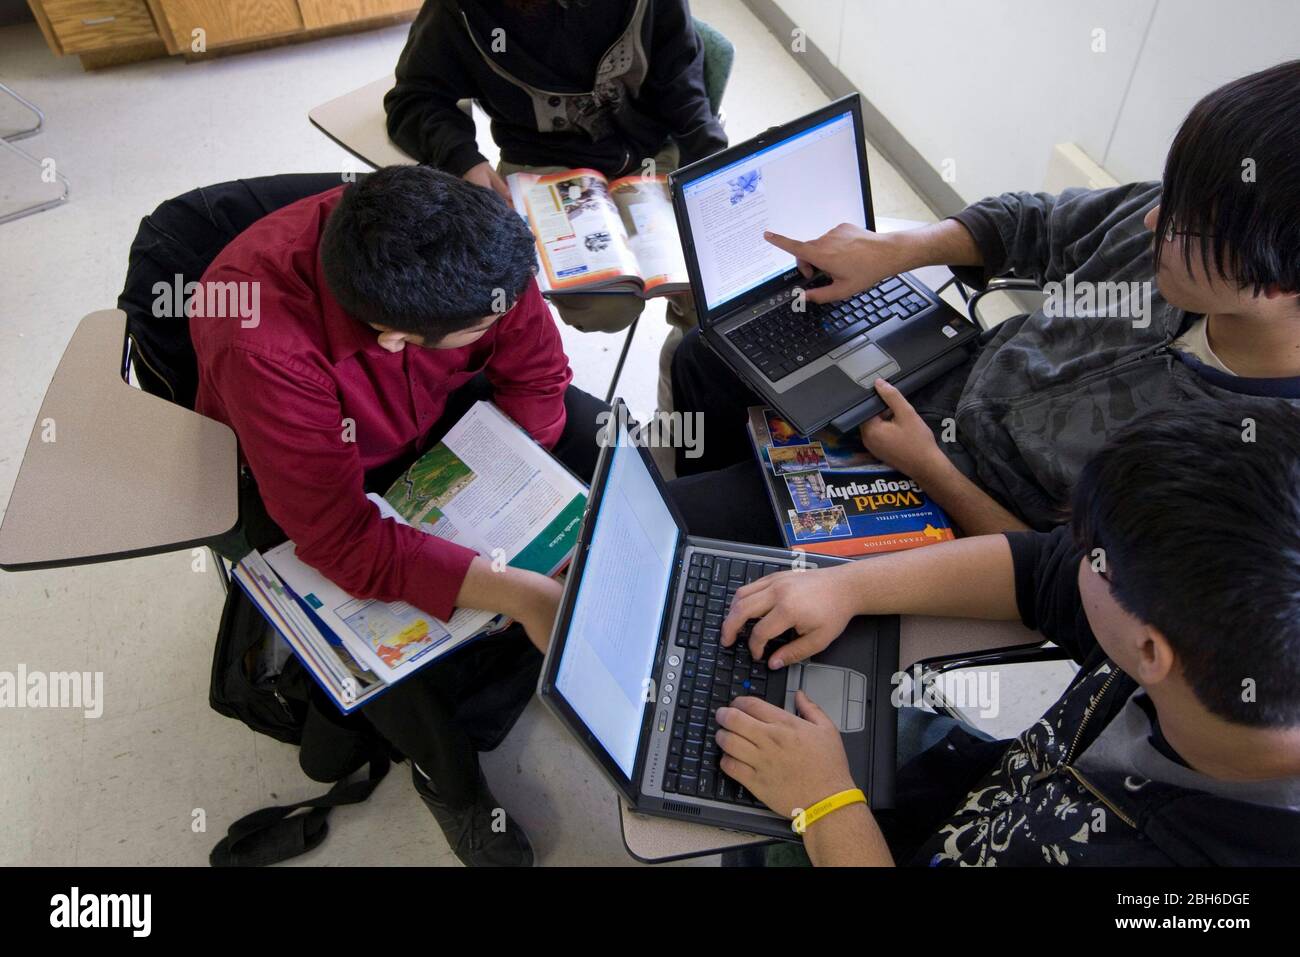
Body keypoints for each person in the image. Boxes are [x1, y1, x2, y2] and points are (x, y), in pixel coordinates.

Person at [671, 59, 1300, 538]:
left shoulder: (1248, 454)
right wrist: (898, 251)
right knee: (709, 353)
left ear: (1280, 279)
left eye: (1186, 224)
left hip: (956, 512)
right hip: (943, 385)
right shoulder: (1190, 228)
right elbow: (1031, 222)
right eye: (1170, 192)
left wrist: (927, 467)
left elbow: (1066, 583)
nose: (1150, 221)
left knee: (676, 528)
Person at [189, 164, 606, 866]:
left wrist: (519, 489)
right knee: (376, 637)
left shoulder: (481, 251)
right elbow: (344, 540)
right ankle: (451, 780)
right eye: (481, 326)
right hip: (299, 473)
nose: (503, 317)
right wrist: (517, 586)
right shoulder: (259, 341)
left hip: (439, 421)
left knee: (608, 451)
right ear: (392, 336)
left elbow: (535, 372)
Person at [712, 399, 1300, 866]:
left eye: (1092, 556)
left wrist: (826, 807)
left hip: (857, 828)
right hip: (973, 790)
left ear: (1151, 651)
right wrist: (846, 587)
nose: (1074, 557)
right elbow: (1038, 570)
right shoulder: (1205, 643)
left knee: (714, 791)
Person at [385, 0, 728, 412]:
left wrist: (714, 169)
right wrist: (463, 161)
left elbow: (683, 85)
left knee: (716, 286)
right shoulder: (457, 11)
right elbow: (415, 98)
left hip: (654, 156)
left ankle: (685, 419)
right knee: (604, 305)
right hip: (542, 165)